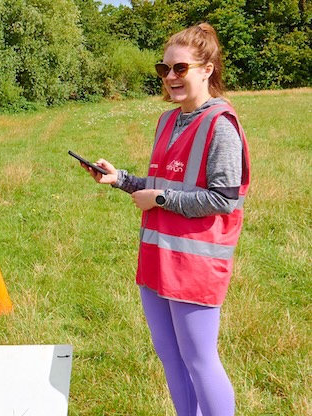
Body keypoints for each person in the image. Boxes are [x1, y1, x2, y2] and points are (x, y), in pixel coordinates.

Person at [80, 23, 249, 416]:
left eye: (180, 69)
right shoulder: (168, 121)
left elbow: (224, 199)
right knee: (172, 360)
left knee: (200, 362)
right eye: (164, 69)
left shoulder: (220, 125)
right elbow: (160, 183)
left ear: (207, 69)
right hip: (157, 259)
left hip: (195, 266)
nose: (170, 77)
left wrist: (158, 197)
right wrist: (120, 179)